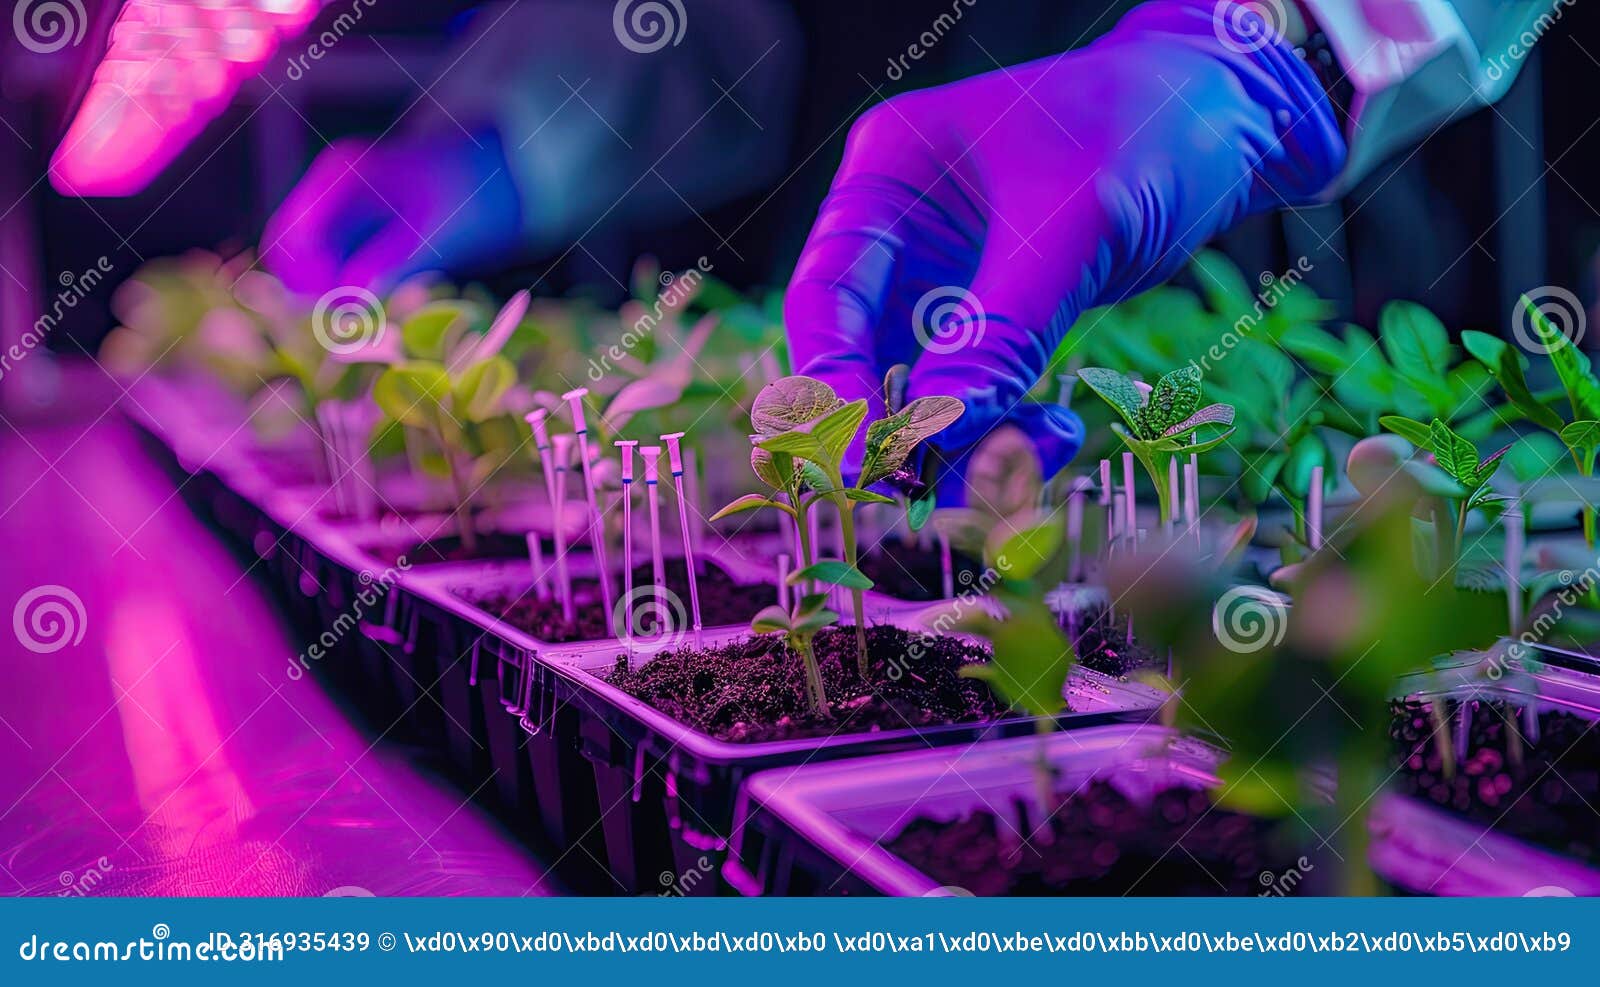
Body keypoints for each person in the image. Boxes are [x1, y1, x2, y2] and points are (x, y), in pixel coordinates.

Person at [264, 0, 1560, 475]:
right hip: (883, 181)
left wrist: (1287, 41)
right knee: (916, 453)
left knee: (1282, 524)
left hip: (1276, 227)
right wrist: (509, 146)